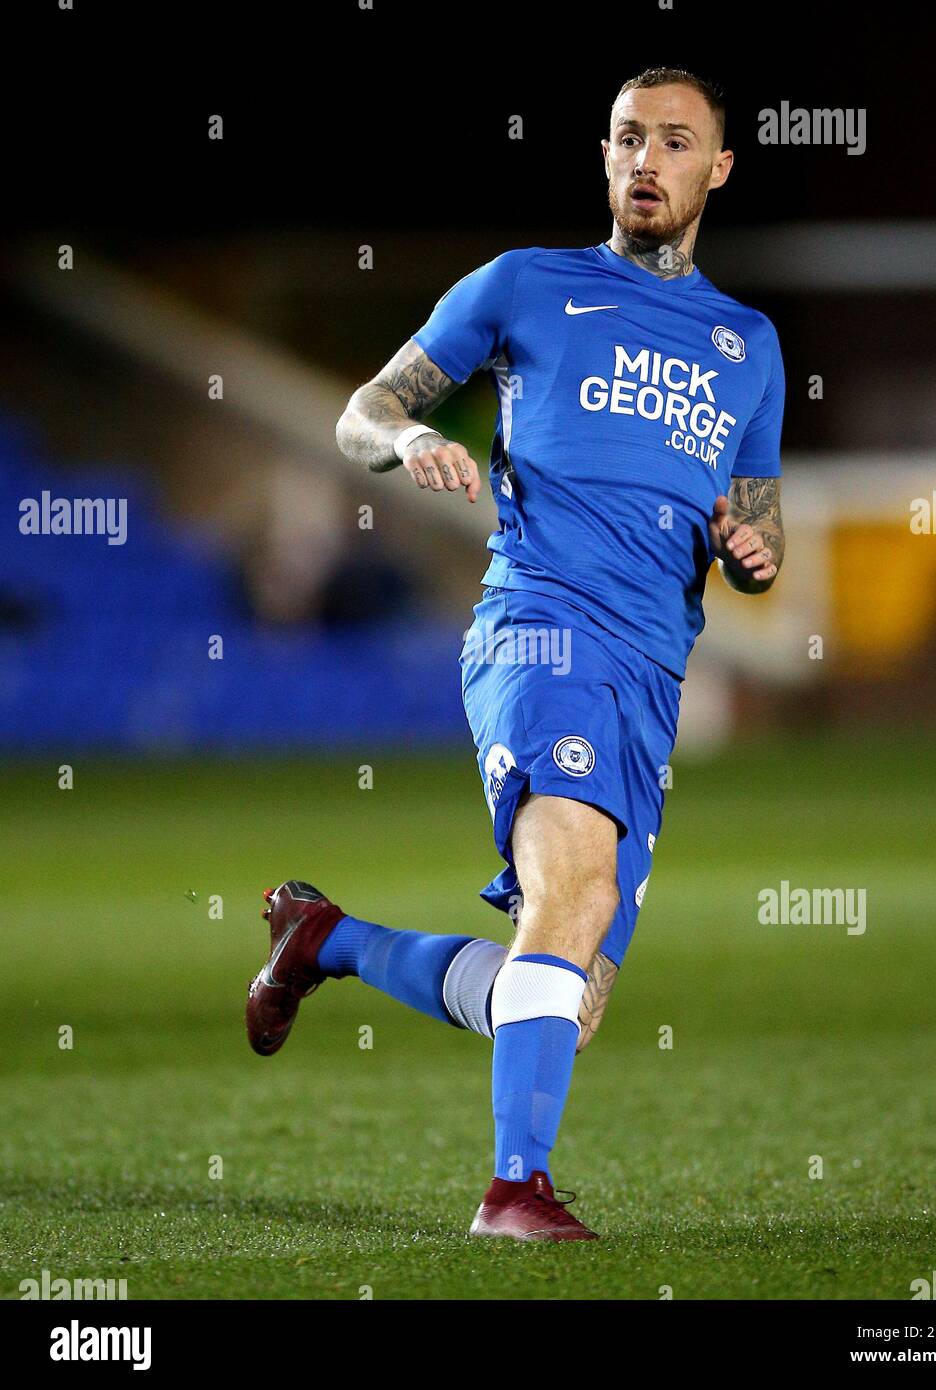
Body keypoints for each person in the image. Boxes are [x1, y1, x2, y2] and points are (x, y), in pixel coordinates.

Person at [247, 67, 786, 1242]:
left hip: (651, 673)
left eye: (675, 141)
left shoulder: (750, 346)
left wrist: (752, 548)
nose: (648, 159)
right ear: (604, 158)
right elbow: (364, 410)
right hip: (542, 629)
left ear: (718, 168)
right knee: (574, 889)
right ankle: (513, 1191)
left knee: (560, 989)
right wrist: (405, 442)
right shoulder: (525, 287)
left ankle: (327, 940)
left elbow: (762, 526)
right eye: (628, 139)